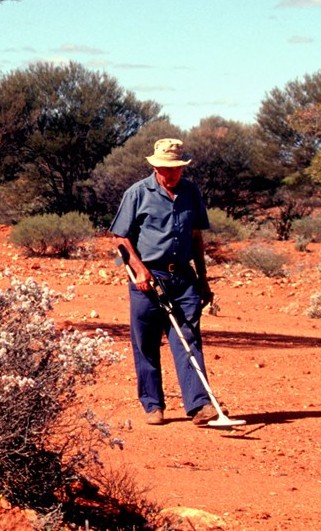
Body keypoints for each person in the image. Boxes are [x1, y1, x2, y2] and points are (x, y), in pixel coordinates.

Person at [110, 138, 214, 426]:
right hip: (147, 278)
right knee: (146, 342)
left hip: (183, 278)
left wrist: (203, 279)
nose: (172, 174)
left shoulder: (191, 192)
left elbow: (196, 238)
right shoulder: (138, 193)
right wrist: (140, 270)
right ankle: (153, 404)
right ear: (155, 166)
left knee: (188, 338)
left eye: (177, 168)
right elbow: (120, 237)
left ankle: (200, 405)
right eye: (167, 169)